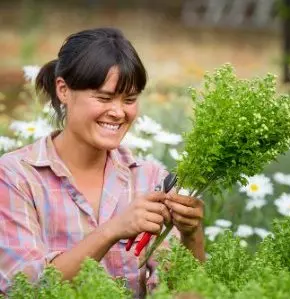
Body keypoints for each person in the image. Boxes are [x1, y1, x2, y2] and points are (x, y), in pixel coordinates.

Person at [0, 27, 204, 298]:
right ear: (63, 89)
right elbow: (21, 288)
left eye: (129, 100)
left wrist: (192, 236)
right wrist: (111, 231)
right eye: (104, 98)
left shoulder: (150, 179)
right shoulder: (16, 175)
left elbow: (184, 293)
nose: (119, 112)